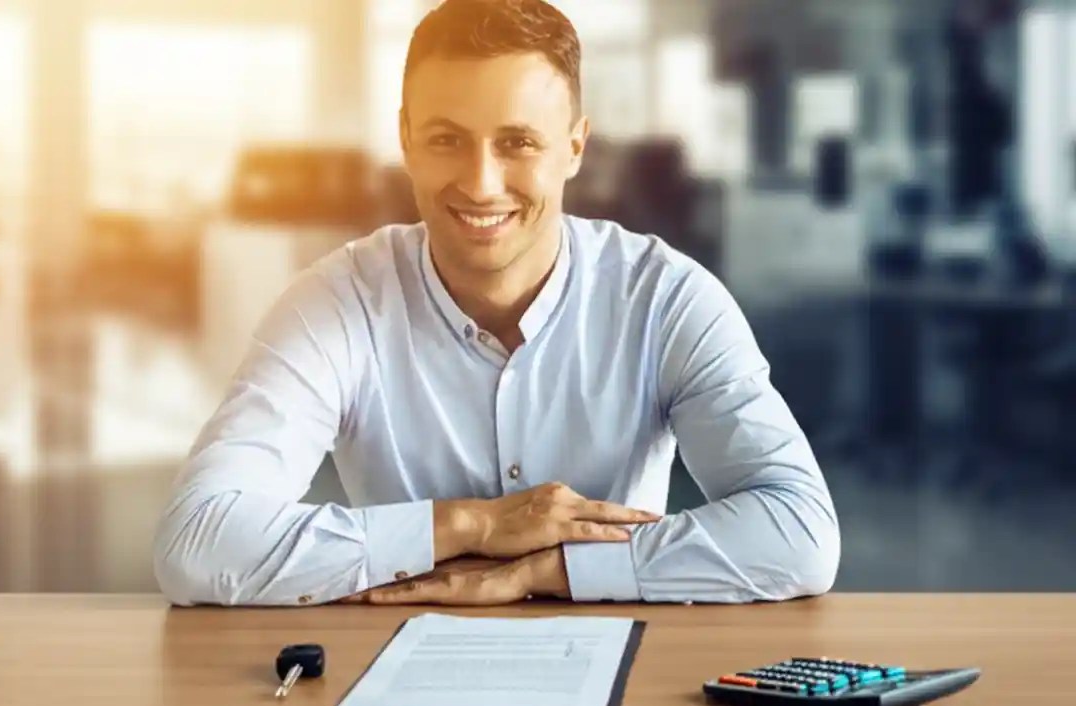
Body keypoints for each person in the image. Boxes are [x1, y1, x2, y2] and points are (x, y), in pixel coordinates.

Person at [153, 0, 839, 607]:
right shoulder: (334, 303)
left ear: (574, 147)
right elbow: (198, 543)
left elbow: (799, 533)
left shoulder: (665, 298)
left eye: (518, 143)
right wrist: (473, 524)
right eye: (447, 140)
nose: (482, 185)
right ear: (406, 142)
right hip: (390, 668)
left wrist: (547, 571)